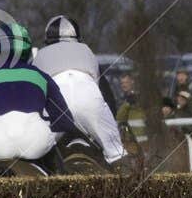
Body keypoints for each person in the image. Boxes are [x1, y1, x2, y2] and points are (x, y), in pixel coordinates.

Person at [0, 21, 76, 164]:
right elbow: (66, 121)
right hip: (36, 144)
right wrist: (44, 125)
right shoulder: (42, 77)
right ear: (27, 50)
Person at [33, 15, 126, 163]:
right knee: (117, 154)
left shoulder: (39, 57)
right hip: (89, 103)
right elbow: (107, 96)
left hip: (56, 108)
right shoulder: (88, 52)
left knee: (35, 154)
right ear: (77, 37)